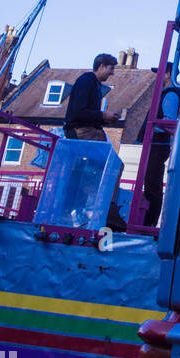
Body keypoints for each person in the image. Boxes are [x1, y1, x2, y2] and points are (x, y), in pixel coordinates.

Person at [64, 54, 126, 232]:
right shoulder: (86, 81)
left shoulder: (93, 84)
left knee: (108, 167)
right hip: (82, 131)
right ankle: (107, 210)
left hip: (87, 130)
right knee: (112, 166)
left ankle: (104, 209)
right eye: (111, 68)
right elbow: (77, 113)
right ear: (101, 66)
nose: (112, 73)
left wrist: (105, 119)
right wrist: (102, 116)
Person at [141, 63, 180, 228]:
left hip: (158, 145)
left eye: (159, 73)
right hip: (157, 144)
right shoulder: (167, 93)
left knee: (153, 185)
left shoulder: (170, 94)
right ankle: (148, 222)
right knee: (152, 184)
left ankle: (149, 223)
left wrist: (151, 128)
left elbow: (169, 120)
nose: (156, 77)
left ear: (167, 74)